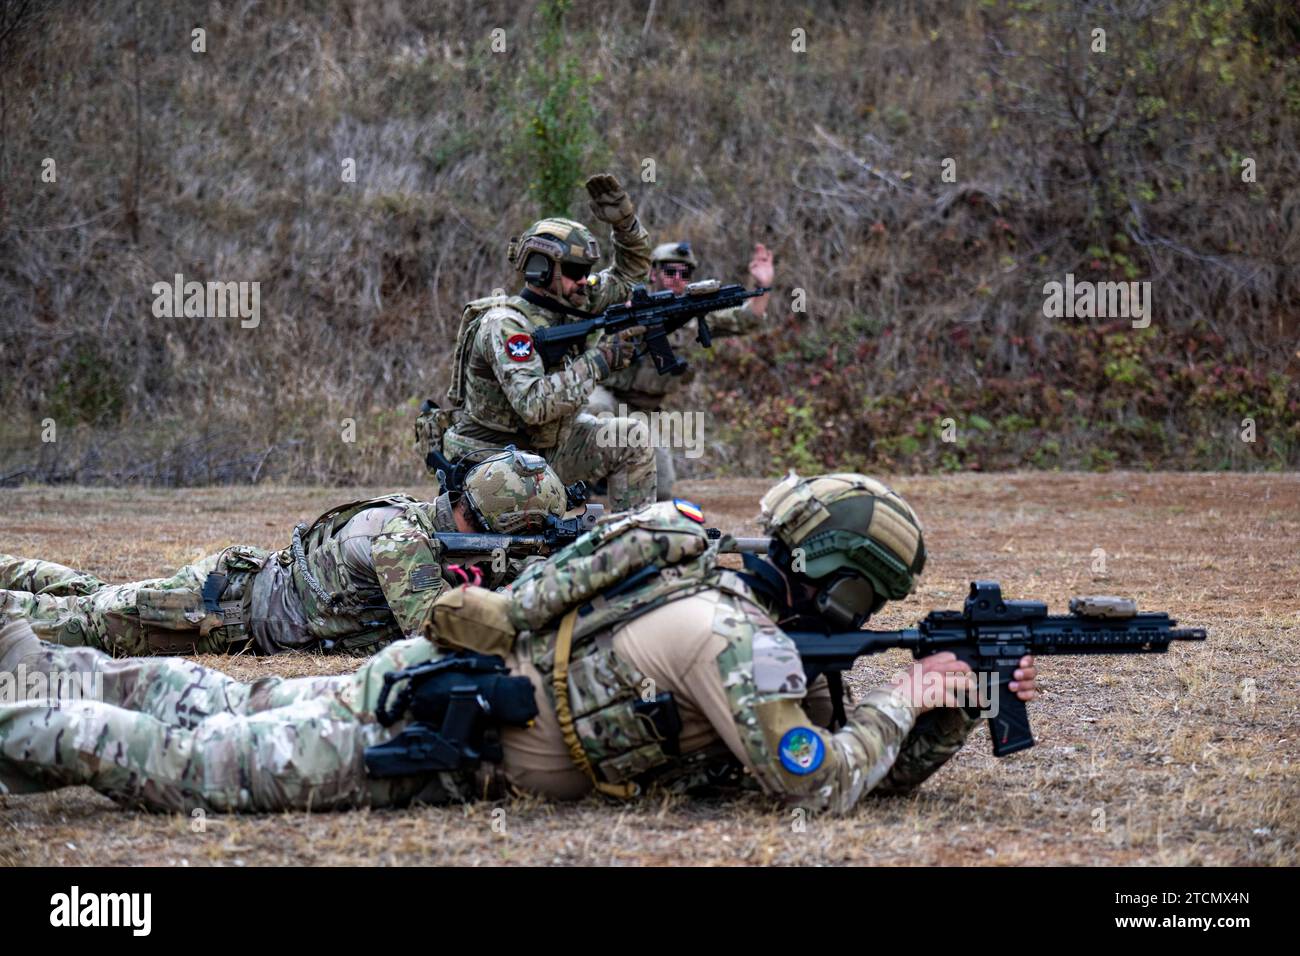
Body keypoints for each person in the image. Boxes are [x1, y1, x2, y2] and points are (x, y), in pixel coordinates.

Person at [0, 473, 1037, 814]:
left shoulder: (710, 577)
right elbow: (813, 778)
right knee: (192, 763)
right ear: (854, 586)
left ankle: (24, 655)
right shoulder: (745, 646)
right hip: (436, 739)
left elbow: (843, 764)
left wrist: (948, 701)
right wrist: (911, 692)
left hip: (430, 682)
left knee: (217, 698)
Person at [0, 448, 566, 657]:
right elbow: (438, 630)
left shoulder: (428, 526)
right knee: (81, 626)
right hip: (215, 614)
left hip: (235, 591)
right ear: (489, 522)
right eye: (518, 537)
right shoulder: (404, 541)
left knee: (94, 597)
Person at [433, 173, 657, 511]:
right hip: (490, 462)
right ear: (541, 269)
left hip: (544, 449)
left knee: (631, 437)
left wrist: (625, 226)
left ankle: (634, 541)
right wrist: (599, 360)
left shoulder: (572, 296)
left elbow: (628, 280)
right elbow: (533, 404)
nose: (584, 280)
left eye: (587, 270)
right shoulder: (505, 324)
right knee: (535, 542)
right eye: (574, 270)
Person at [587, 240, 775, 499]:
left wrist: (762, 285)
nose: (677, 278)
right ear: (653, 273)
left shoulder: (692, 314)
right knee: (597, 411)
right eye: (670, 271)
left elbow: (748, 318)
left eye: (684, 274)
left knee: (661, 489)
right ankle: (588, 477)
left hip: (645, 412)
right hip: (608, 395)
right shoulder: (626, 302)